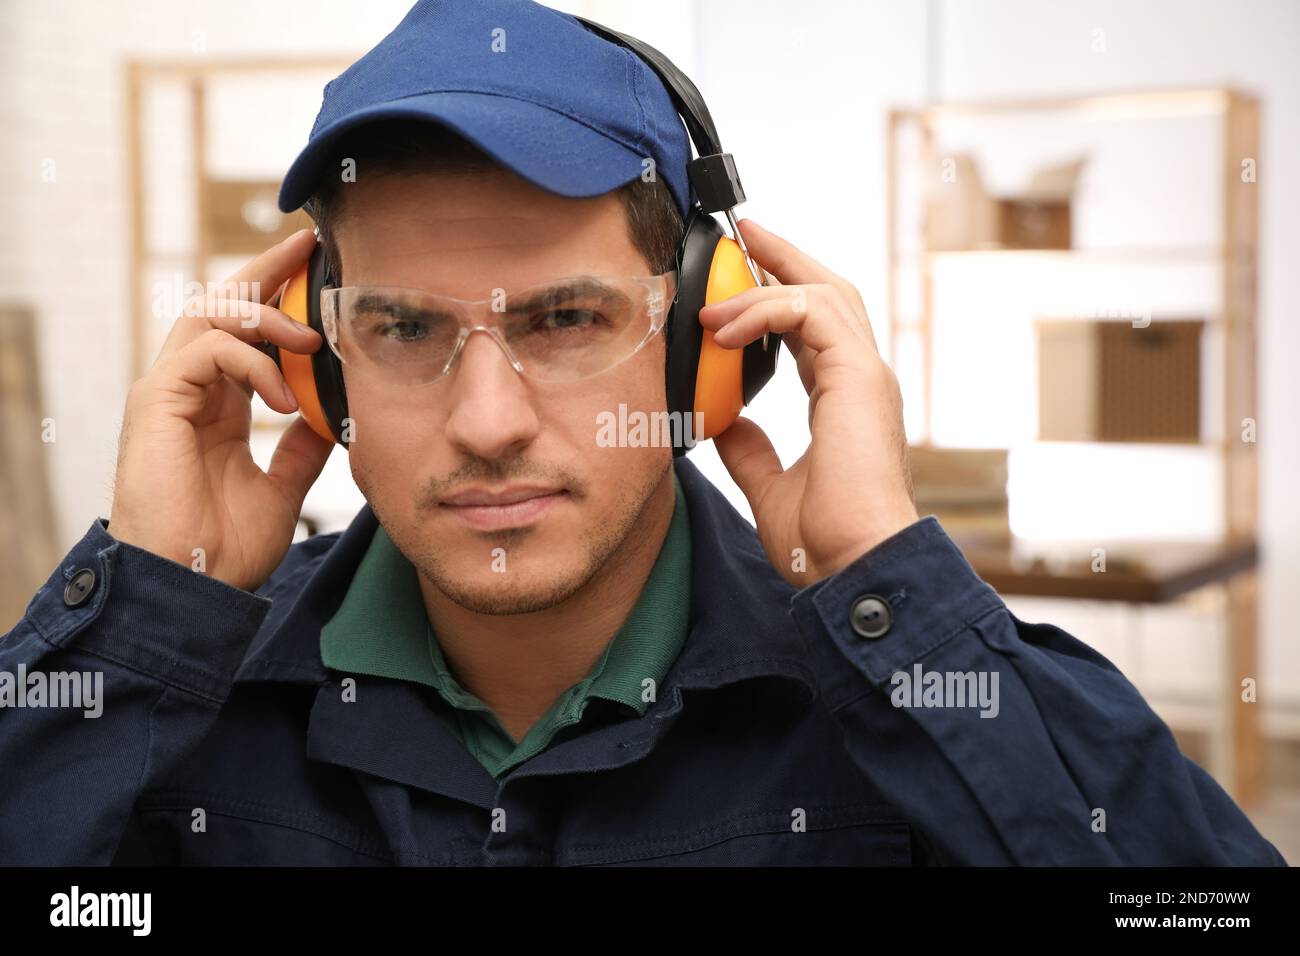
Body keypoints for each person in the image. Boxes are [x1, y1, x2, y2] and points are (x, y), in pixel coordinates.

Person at [0, 0, 1285, 866]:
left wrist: (893, 592)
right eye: (401, 328)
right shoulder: (170, 699)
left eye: (567, 317)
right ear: (316, 367)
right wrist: (138, 625)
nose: (488, 422)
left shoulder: (900, 712)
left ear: (707, 346)